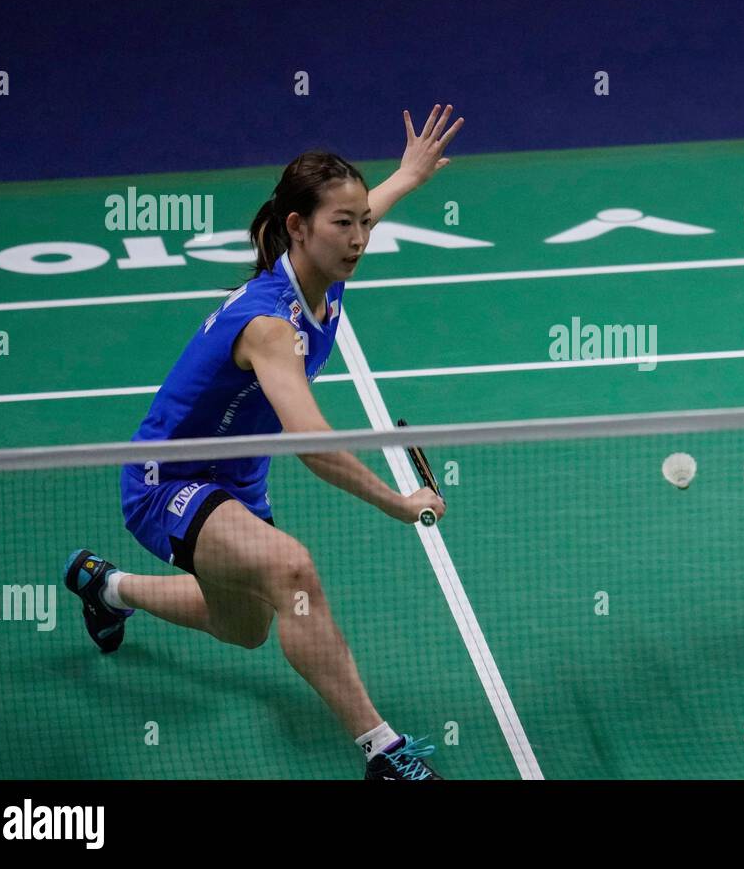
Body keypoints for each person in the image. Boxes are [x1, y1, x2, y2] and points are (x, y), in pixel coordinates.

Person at [64, 105, 464, 778]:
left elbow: (362, 212)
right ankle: (384, 752)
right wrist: (397, 502)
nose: (360, 237)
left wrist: (406, 177)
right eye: (344, 224)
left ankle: (106, 588)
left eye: (364, 221)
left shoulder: (326, 270)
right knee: (294, 571)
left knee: (244, 629)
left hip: (238, 483)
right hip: (169, 482)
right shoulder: (270, 325)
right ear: (297, 229)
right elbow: (313, 444)